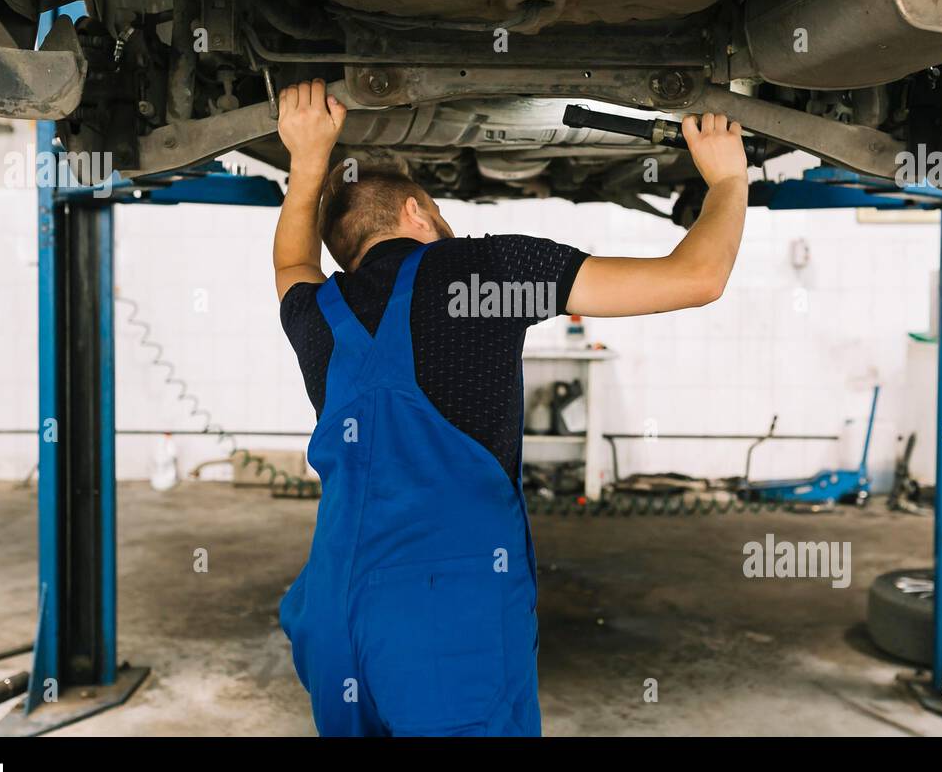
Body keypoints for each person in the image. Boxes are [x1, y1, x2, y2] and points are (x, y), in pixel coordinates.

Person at [272, 79, 748, 736]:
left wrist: (306, 164)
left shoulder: (317, 316)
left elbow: (291, 259)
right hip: (441, 622)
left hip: (329, 618)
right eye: (440, 216)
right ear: (416, 212)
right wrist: (727, 182)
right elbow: (698, 276)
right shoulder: (481, 272)